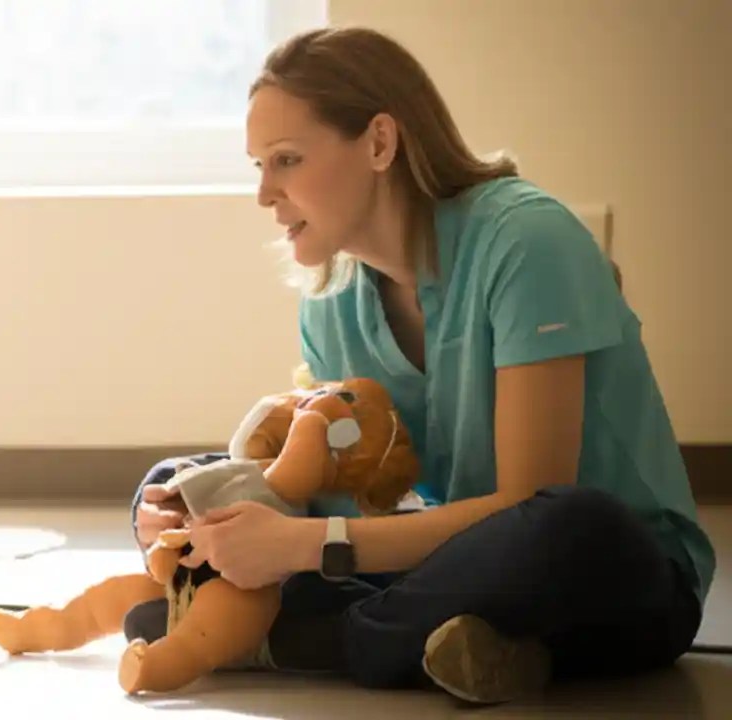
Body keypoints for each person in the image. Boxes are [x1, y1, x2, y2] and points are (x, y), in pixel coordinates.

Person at [126, 26, 713, 705]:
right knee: (171, 481)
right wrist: (207, 510)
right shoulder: (330, 303)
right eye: (259, 165)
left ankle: (293, 642)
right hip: (450, 569)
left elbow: (527, 502)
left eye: (286, 159)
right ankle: (466, 649)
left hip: (611, 575)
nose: (264, 194)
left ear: (379, 142)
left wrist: (301, 546)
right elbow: (350, 507)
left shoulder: (527, 241)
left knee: (575, 526)